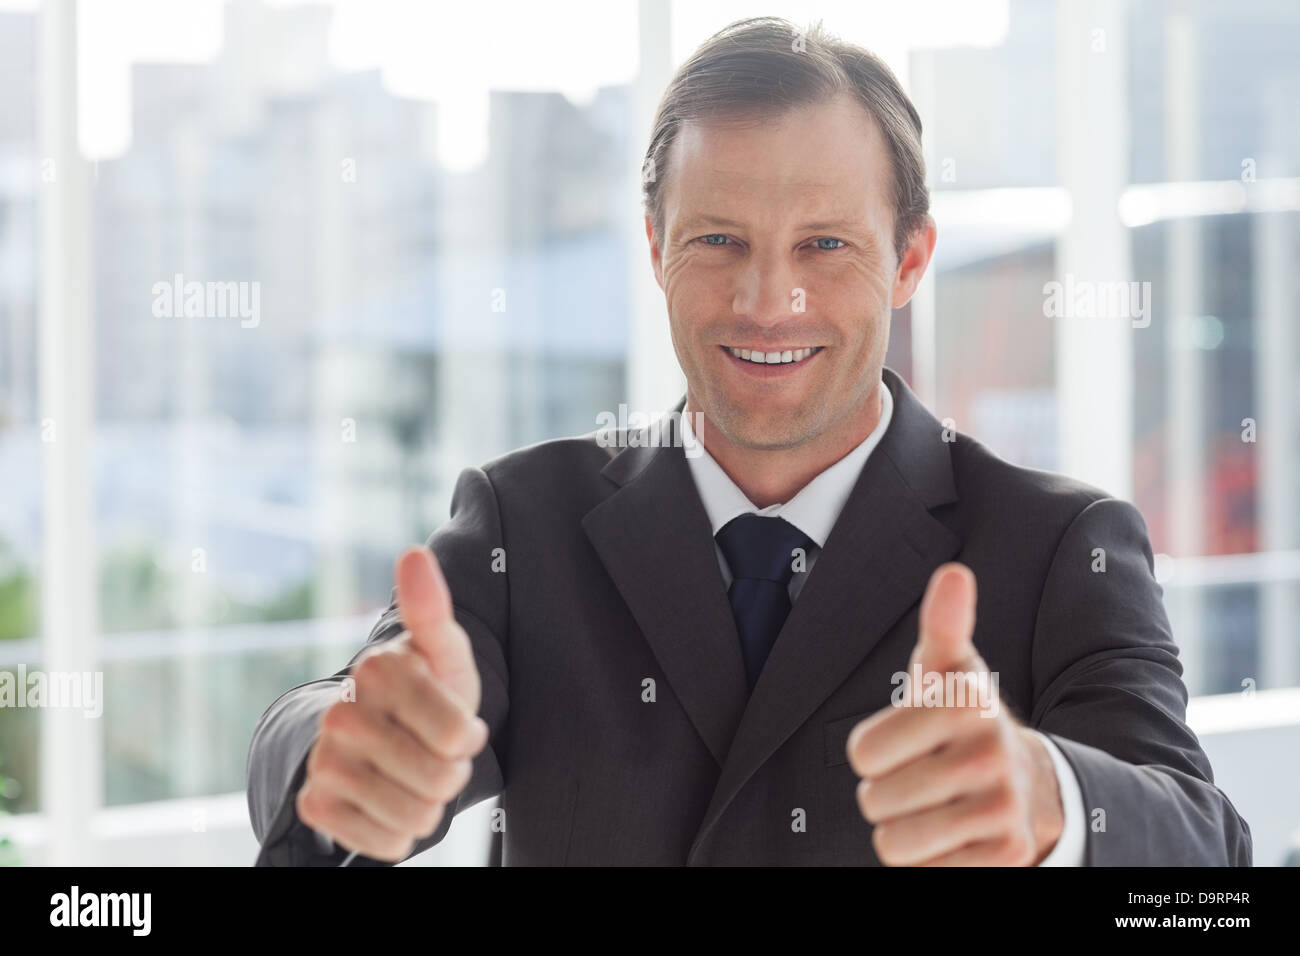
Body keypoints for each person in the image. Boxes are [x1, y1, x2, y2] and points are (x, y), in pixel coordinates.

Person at [247, 16, 1252, 866]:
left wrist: (1053, 799)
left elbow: (1206, 853)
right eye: (717, 240)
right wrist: (341, 742)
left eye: (825, 243)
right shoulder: (527, 521)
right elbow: (340, 710)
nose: (769, 301)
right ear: (654, 248)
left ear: (909, 259)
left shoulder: (1056, 542)